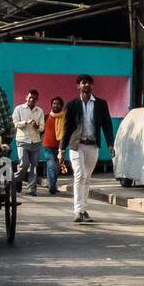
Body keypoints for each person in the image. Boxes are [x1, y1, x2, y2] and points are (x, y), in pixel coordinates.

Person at [61, 75, 115, 223]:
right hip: (76, 145)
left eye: (89, 83)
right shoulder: (72, 105)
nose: (86, 85)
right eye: (83, 83)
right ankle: (78, 211)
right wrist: (61, 149)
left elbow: (107, 125)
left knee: (87, 178)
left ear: (92, 86)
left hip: (93, 145)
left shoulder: (101, 104)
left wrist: (111, 143)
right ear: (78, 86)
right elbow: (67, 128)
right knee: (80, 175)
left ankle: (84, 210)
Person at [12, 89, 44, 196]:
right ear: (26, 97)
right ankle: (15, 180)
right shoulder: (19, 109)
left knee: (34, 167)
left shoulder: (39, 111)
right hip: (22, 140)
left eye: (34, 98)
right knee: (24, 164)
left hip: (35, 141)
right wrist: (25, 122)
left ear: (37, 99)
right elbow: (15, 124)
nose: (31, 100)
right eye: (30, 97)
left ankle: (31, 189)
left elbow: (42, 128)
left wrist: (37, 126)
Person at [41, 96, 66, 195]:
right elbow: (41, 130)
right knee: (51, 165)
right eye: (54, 103)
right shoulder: (47, 117)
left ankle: (52, 184)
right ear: (51, 105)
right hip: (48, 146)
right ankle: (52, 187)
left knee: (57, 167)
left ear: (61, 106)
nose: (56, 105)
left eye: (58, 104)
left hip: (61, 147)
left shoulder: (64, 118)